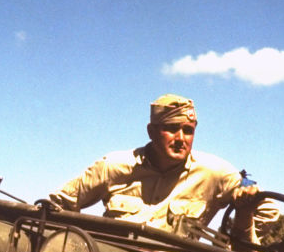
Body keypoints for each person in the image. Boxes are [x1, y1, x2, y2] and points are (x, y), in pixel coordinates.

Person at [49, 94, 272, 239]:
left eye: (188, 131)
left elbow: (266, 207)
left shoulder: (214, 173)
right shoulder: (115, 166)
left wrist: (228, 250)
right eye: (172, 129)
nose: (181, 138)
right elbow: (58, 204)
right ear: (151, 131)